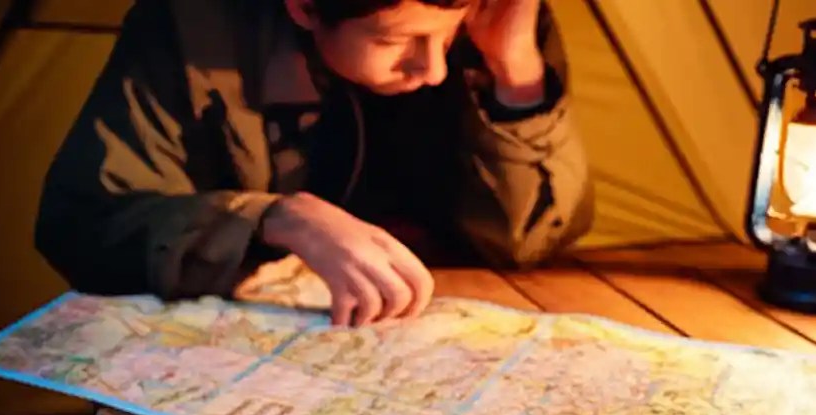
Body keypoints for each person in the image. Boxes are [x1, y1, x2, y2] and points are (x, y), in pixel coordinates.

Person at [36, 0, 593, 327]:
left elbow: (532, 241)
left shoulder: (491, 27)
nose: (433, 69)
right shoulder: (193, 33)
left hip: (429, 333)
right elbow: (84, 227)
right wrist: (273, 219)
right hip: (247, 345)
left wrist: (515, 68)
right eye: (398, 39)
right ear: (304, 6)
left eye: (447, 37)